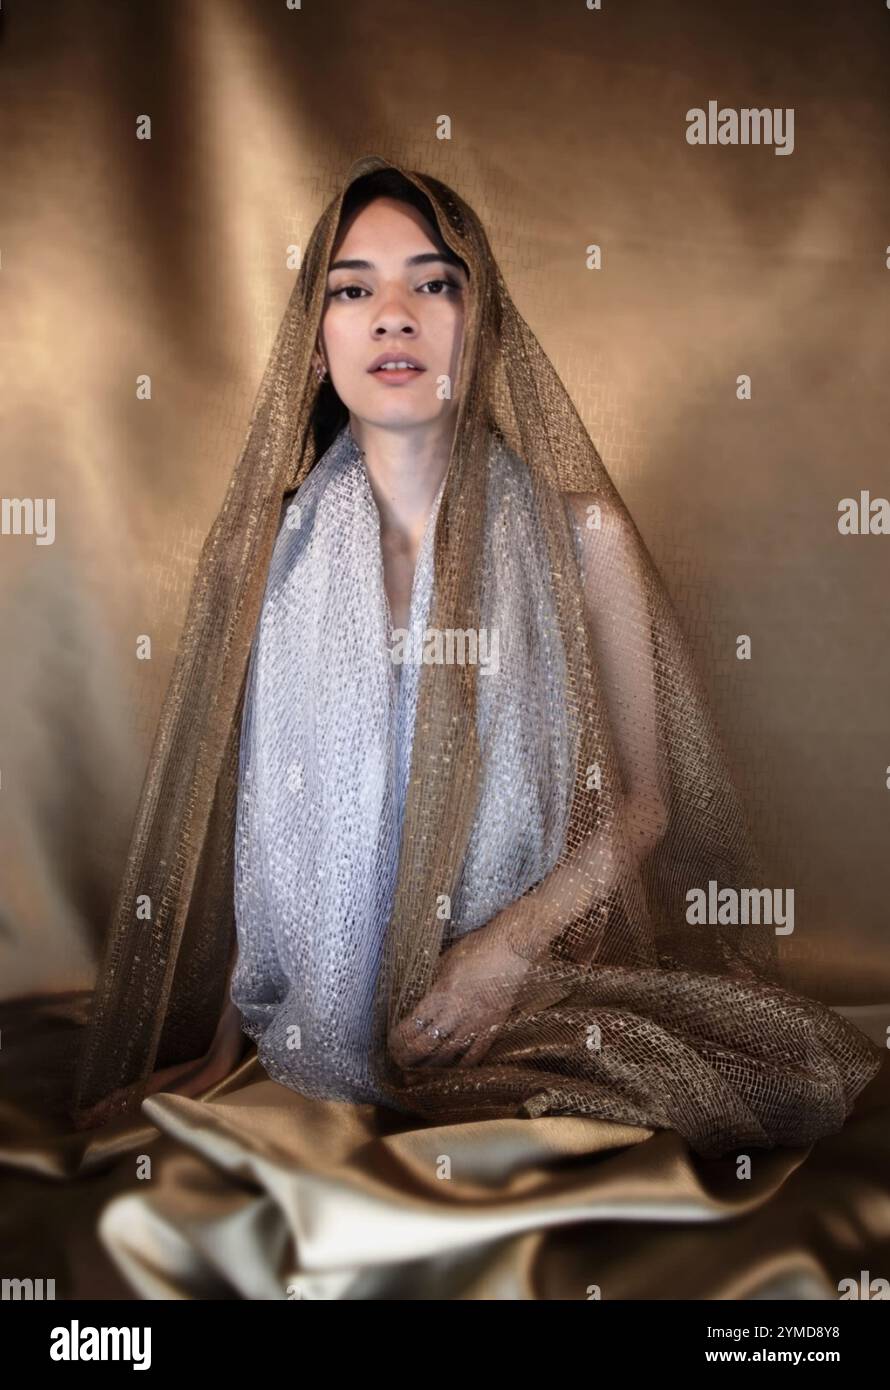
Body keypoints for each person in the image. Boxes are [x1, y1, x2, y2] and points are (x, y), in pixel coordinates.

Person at [73, 157, 883, 1156]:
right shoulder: (270, 551)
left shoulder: (582, 536)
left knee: (747, 1076)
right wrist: (224, 1051)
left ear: (480, 321)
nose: (394, 314)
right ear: (315, 343)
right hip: (322, 1023)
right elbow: (271, 827)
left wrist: (499, 955)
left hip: (518, 981)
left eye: (434, 282)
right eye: (352, 288)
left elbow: (641, 807)